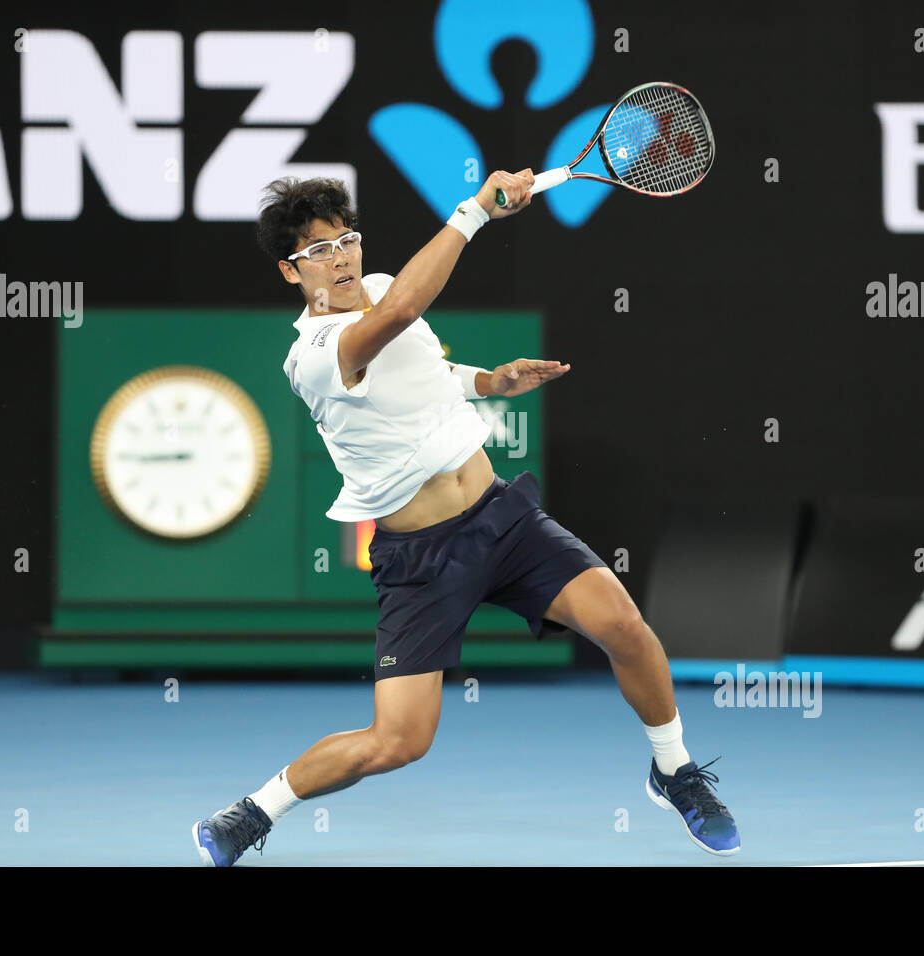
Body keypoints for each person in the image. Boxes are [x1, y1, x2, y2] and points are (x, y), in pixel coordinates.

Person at [191, 170, 739, 864]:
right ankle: (253, 813)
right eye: (321, 251)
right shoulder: (315, 356)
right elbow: (391, 323)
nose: (344, 258)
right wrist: (475, 211)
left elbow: (423, 363)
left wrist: (489, 382)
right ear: (290, 271)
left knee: (626, 628)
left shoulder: (385, 289)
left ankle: (674, 772)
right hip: (420, 559)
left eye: (349, 240)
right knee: (399, 743)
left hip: (500, 519)